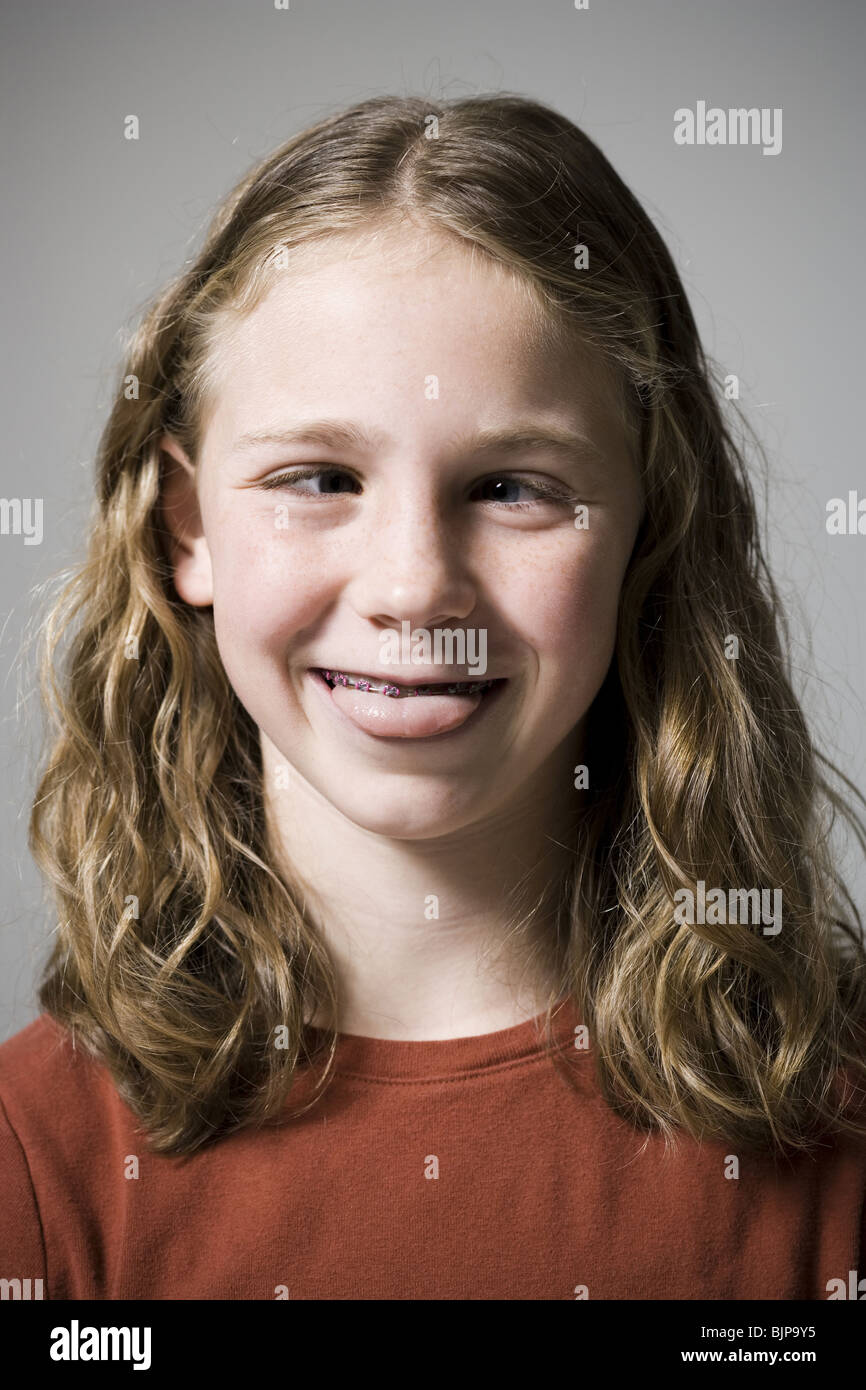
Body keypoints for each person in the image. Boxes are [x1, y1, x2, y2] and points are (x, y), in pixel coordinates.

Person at [1, 92, 864, 1301]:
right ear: (186, 523)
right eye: (317, 477)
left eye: (511, 486)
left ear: (646, 529)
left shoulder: (833, 1143)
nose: (412, 587)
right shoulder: (32, 1167)